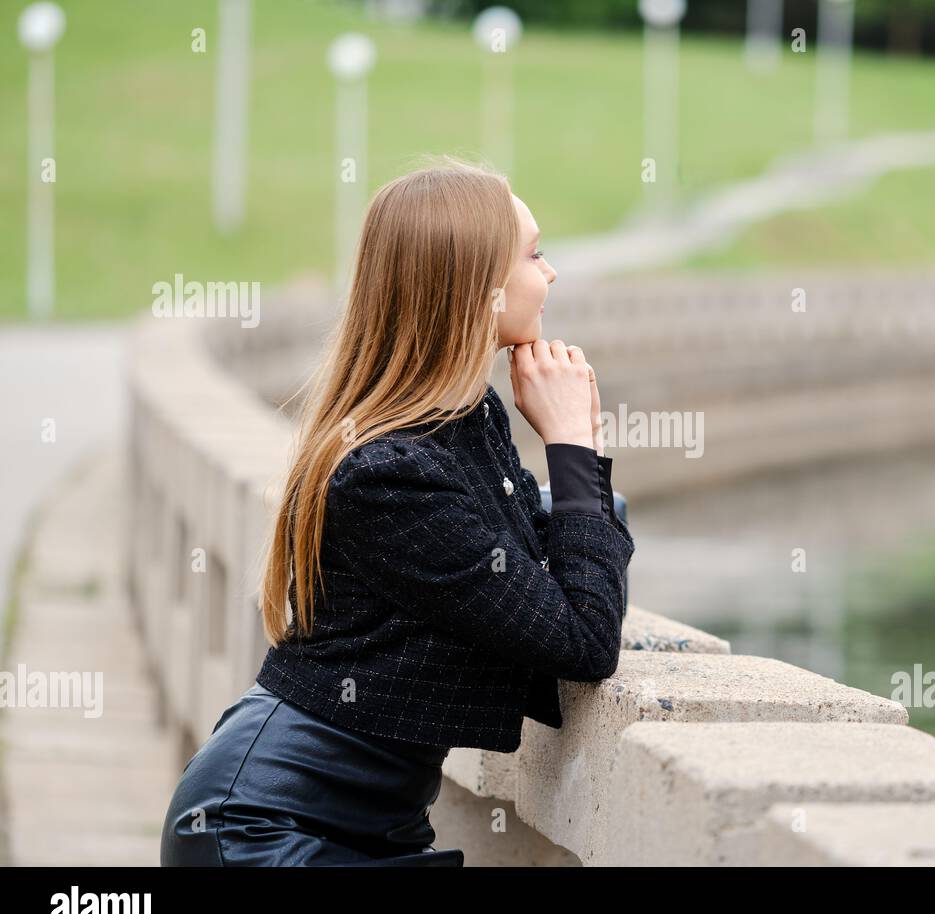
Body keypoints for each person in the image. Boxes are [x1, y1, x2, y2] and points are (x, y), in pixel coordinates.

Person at [160, 156, 634, 866]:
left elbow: (555, 575)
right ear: (479, 289)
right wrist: (572, 448)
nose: (551, 273)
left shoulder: (464, 421)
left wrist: (578, 484)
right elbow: (584, 637)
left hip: (374, 831)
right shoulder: (389, 476)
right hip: (259, 833)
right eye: (534, 254)